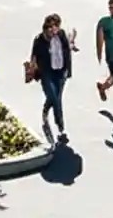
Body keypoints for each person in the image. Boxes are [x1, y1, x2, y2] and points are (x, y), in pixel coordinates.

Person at [29, 13, 77, 143]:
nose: (53, 29)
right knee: (55, 99)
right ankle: (60, 124)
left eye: (55, 26)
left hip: (61, 71)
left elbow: (68, 47)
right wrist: (32, 68)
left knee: (56, 97)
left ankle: (46, 110)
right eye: (50, 27)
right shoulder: (39, 39)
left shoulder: (61, 35)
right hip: (46, 72)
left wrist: (68, 70)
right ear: (45, 27)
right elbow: (33, 56)